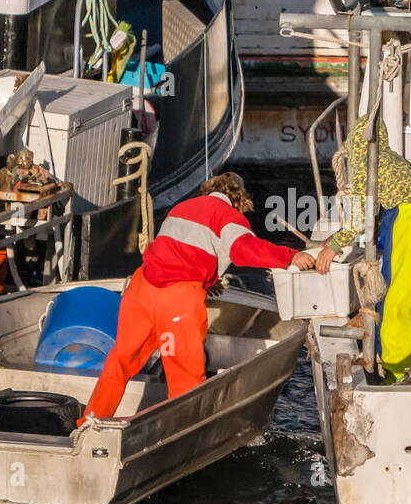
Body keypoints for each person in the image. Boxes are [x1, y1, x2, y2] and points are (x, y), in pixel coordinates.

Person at [79, 172, 314, 423]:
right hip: (177, 298)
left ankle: (89, 422)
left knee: (120, 362)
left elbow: (180, 249)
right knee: (185, 379)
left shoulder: (182, 207)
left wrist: (207, 279)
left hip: (142, 289)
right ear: (239, 200)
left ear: (209, 189)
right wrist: (289, 256)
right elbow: (244, 249)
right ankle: (181, 434)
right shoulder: (228, 215)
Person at [314, 114, 411, 382]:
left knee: (399, 300)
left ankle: (396, 370)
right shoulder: (397, 161)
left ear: (356, 143)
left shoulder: (368, 162)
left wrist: (333, 247)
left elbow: (357, 218)